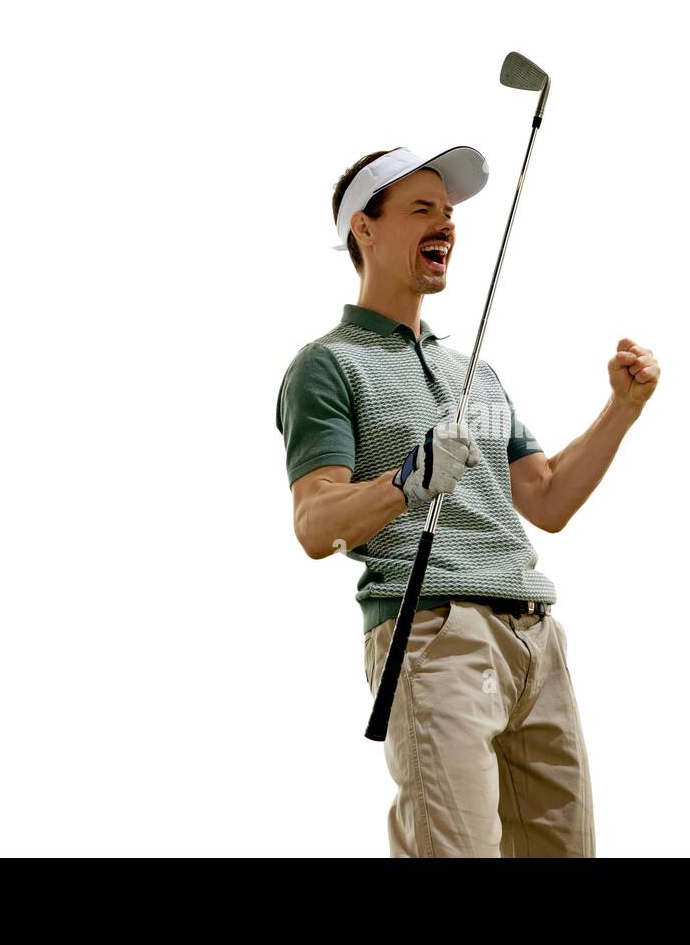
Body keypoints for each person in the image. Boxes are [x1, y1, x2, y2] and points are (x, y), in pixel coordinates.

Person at [275, 145, 660, 857]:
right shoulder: (328, 365)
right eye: (422, 210)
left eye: (449, 214)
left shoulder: (475, 373)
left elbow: (544, 499)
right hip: (434, 635)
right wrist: (406, 481)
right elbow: (314, 521)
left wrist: (622, 409)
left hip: (536, 640)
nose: (445, 225)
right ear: (364, 228)